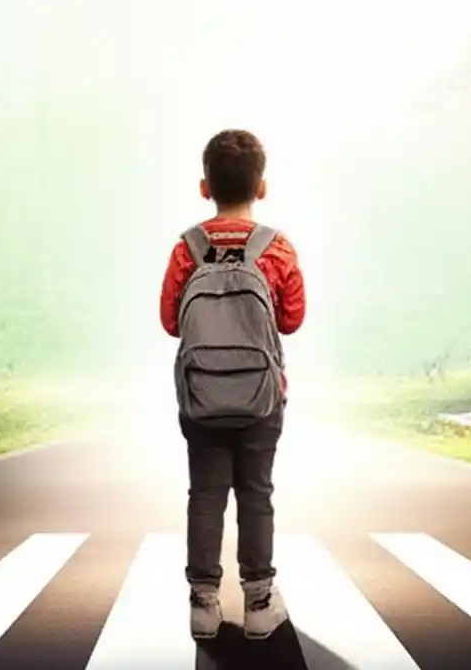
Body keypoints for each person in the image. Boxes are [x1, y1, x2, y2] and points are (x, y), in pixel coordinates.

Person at [159, 129, 306, 641]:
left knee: (205, 494)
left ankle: (203, 604)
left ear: (205, 188)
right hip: (262, 397)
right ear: (260, 187)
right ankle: (260, 602)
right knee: (256, 493)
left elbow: (170, 323)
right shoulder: (278, 248)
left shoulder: (188, 248)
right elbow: (291, 321)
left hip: (200, 397)